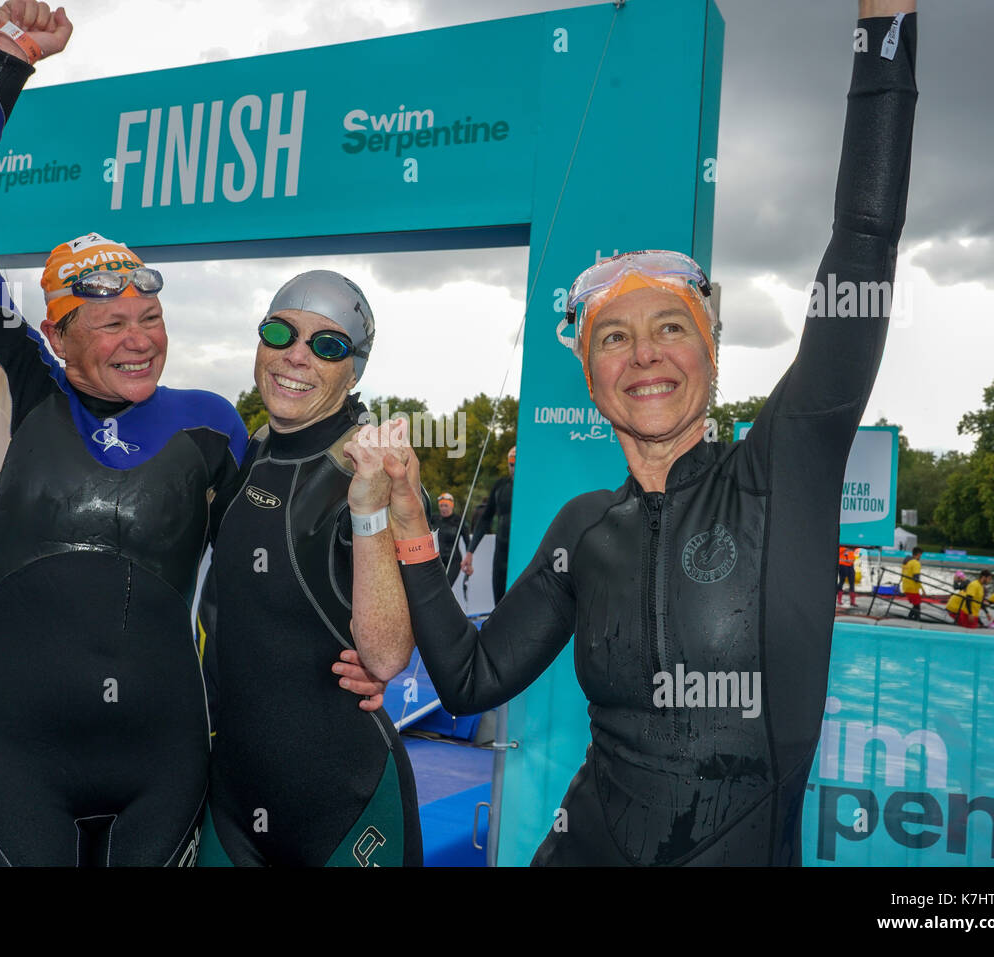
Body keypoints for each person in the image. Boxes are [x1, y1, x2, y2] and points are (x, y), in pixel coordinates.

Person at [376, 0, 918, 865]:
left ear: (709, 355)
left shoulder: (784, 472)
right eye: (614, 340)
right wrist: (407, 521)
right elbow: (472, 678)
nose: (646, 356)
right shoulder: (584, 528)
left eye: (672, 328)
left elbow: (864, 241)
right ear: (592, 383)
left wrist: (886, 24)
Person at [0, 3, 382, 866]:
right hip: (16, 763)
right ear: (55, 335)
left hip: (164, 768)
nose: (141, 338)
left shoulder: (208, 424)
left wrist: (366, 643)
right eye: (111, 321)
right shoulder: (13, 387)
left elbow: (275, 558)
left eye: (152, 316)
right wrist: (8, 60)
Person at [196, 271, 422, 867]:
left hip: (342, 807)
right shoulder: (251, 451)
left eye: (328, 345)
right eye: (280, 333)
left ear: (355, 369)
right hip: (231, 801)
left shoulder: (371, 467)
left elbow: (388, 655)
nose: (297, 355)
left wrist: (371, 507)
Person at [461, 446, 515, 605]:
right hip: (501, 553)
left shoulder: (533, 488)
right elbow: (485, 519)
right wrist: (470, 551)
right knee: (499, 603)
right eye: (511, 464)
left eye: (518, 463)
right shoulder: (500, 486)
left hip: (523, 553)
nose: (514, 468)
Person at [430, 492, 465, 586]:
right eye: (441, 506)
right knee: (436, 587)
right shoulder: (434, 519)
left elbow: (467, 542)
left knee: (447, 586)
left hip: (454, 560)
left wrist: (468, 560)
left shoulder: (458, 520)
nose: (443, 508)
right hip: (438, 559)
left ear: (451, 506)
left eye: (446, 505)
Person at [900, 546, 924, 619]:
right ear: (919, 554)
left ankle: (910, 618)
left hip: (905, 586)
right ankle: (915, 619)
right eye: (921, 555)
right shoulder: (916, 563)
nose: (921, 557)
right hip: (912, 588)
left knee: (916, 605)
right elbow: (916, 578)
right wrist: (922, 589)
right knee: (917, 605)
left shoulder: (906, 562)